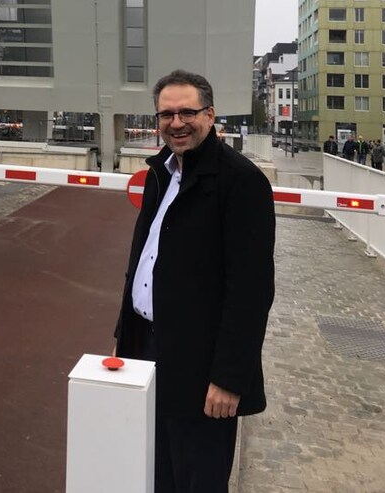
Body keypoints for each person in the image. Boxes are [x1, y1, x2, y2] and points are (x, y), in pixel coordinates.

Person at [114, 69, 275, 493]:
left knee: (197, 476)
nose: (177, 122)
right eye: (166, 114)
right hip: (147, 345)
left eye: (188, 112)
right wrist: (123, 336)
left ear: (211, 114)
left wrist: (228, 377)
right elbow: (142, 261)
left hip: (202, 365)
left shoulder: (241, 182)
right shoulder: (160, 173)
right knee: (153, 468)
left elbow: (252, 290)